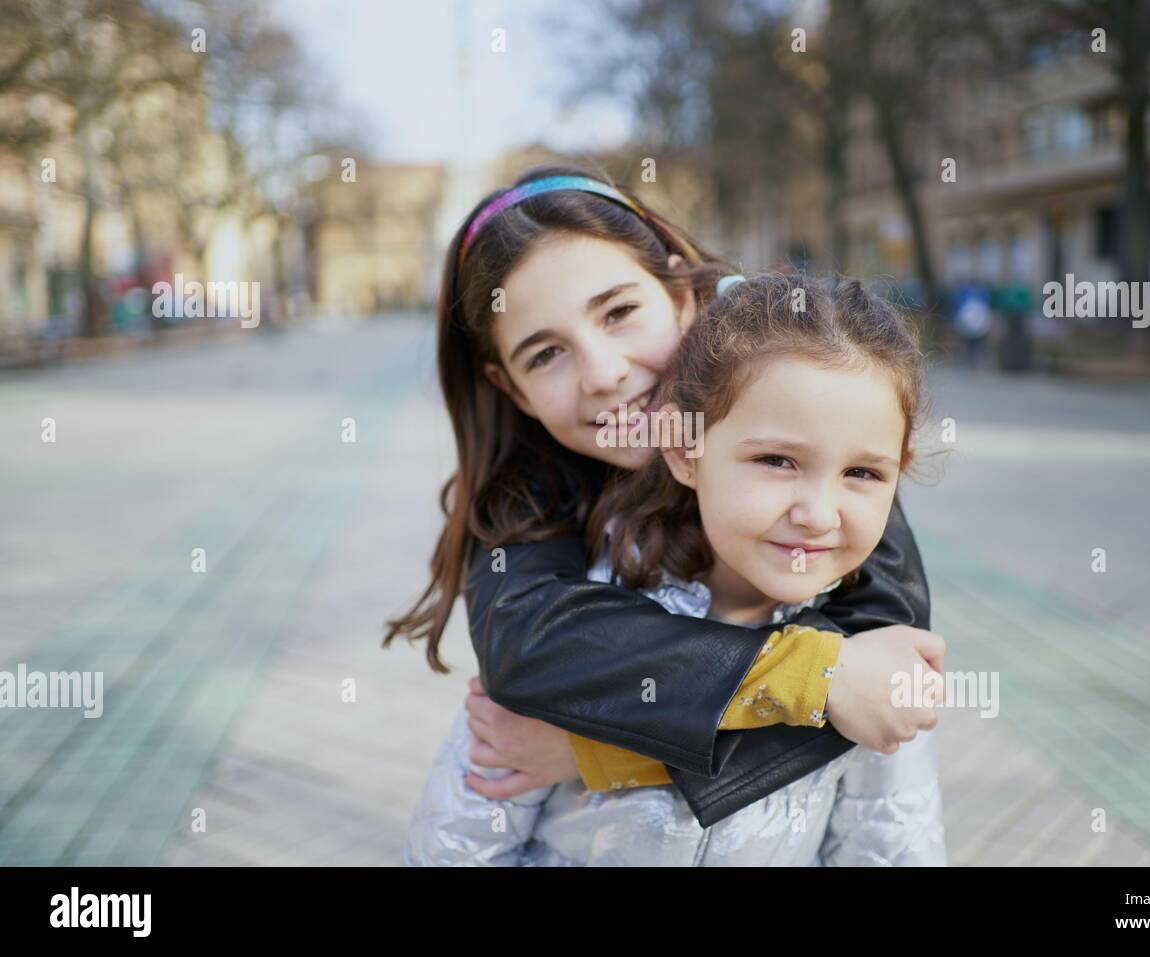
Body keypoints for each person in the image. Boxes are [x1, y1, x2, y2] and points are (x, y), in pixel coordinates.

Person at [384, 165, 944, 828]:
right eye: (545, 355)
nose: (603, 373)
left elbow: (879, 672)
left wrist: (607, 753)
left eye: (619, 312)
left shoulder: (798, 409)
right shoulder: (526, 493)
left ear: (682, 292)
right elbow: (531, 646)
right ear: (510, 389)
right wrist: (812, 675)